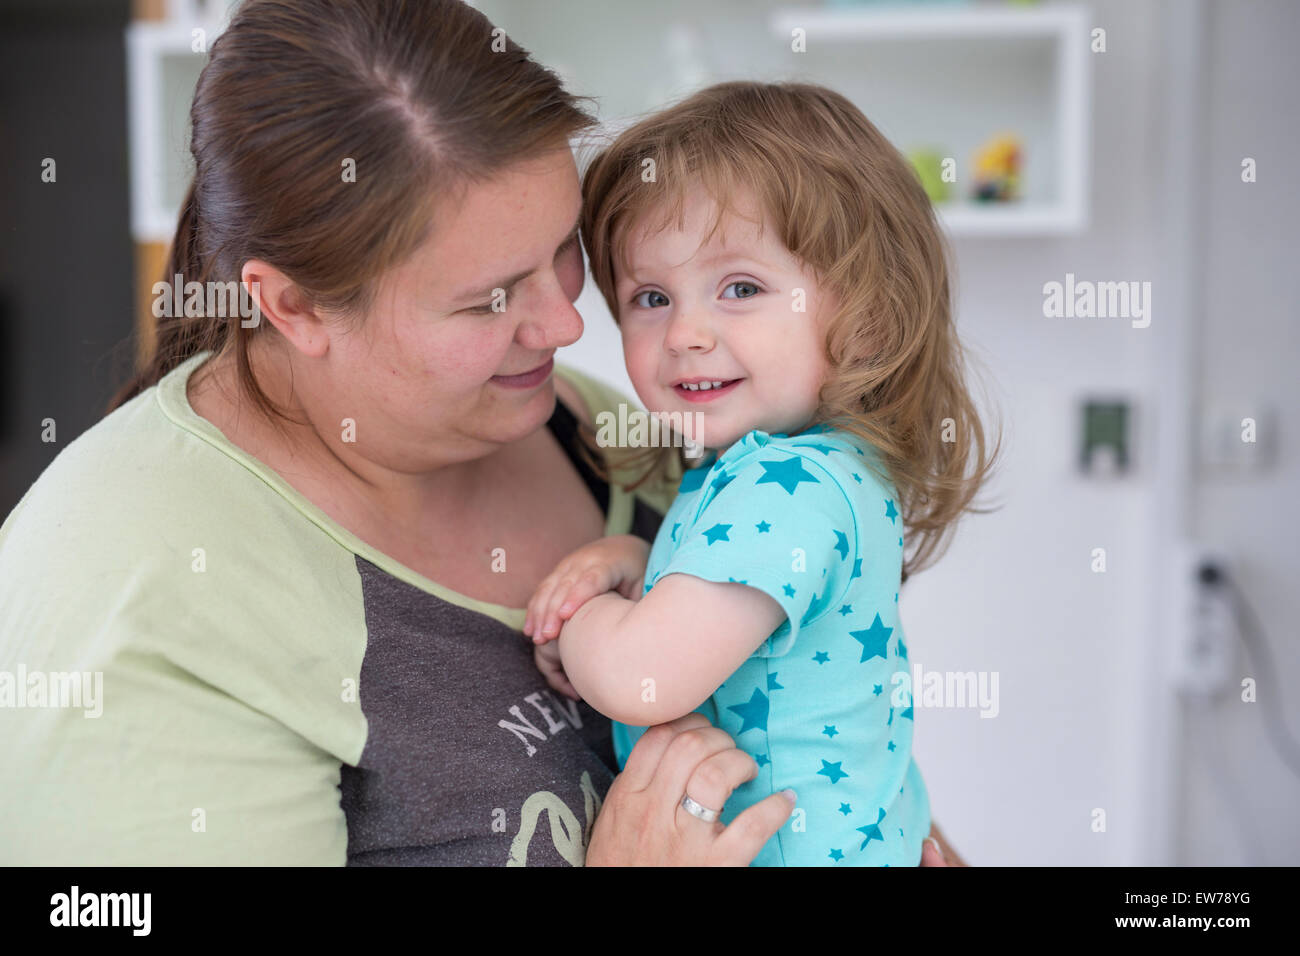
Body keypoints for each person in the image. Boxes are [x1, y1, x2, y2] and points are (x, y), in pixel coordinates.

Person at [0, 0, 965, 866]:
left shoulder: (606, 426)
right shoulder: (132, 589)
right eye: (491, 299)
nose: (566, 326)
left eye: (564, 254)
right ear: (293, 307)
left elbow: (820, 723)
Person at [523, 82, 997, 865]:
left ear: (868, 317)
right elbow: (731, 620)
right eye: (649, 296)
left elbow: (643, 679)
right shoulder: (813, 470)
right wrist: (639, 566)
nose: (685, 333)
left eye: (740, 288)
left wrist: (579, 620)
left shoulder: (791, 487)